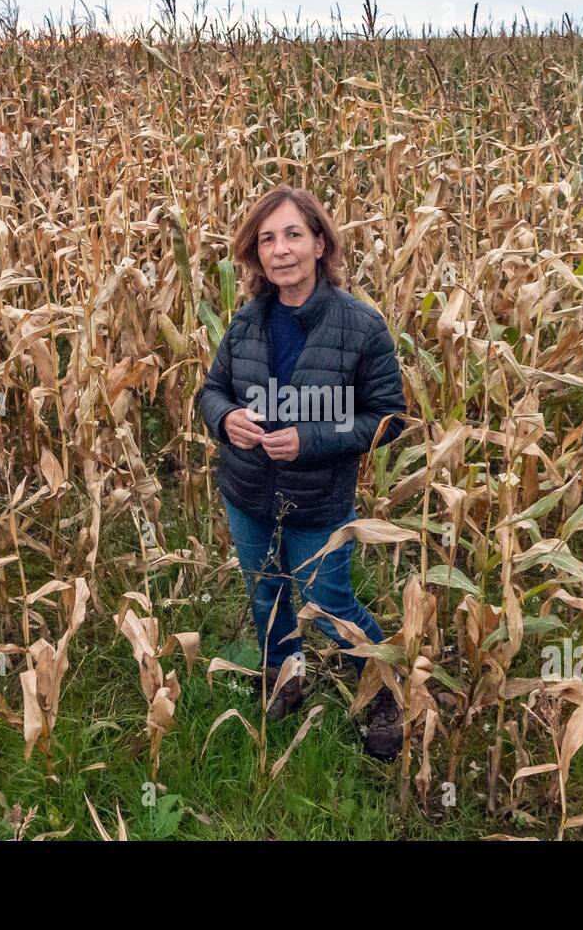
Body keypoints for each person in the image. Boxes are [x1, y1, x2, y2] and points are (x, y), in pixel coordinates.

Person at [196, 184, 408, 761]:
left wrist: (309, 439)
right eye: (267, 239)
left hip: (317, 498)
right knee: (266, 591)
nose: (280, 249)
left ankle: (383, 690)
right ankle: (284, 674)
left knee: (331, 601)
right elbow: (211, 392)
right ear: (255, 254)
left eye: (293, 234)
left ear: (320, 243)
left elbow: (388, 418)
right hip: (246, 493)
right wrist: (227, 419)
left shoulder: (361, 327)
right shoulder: (246, 322)